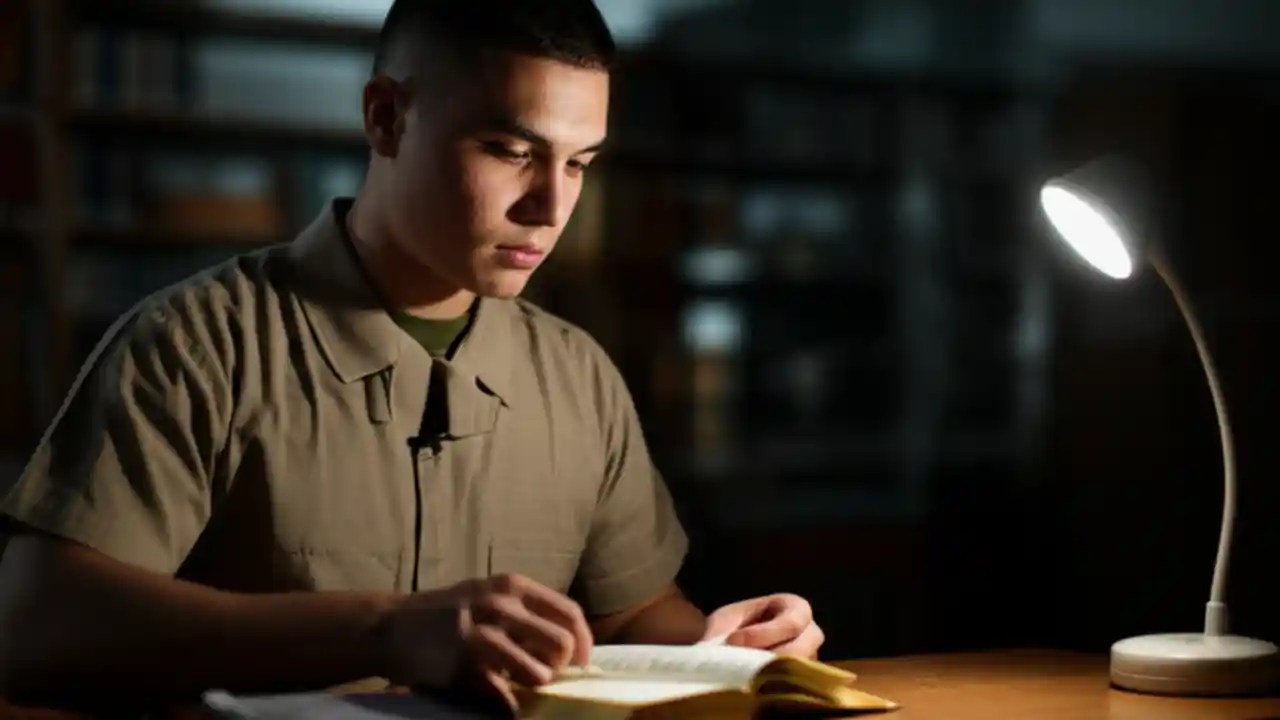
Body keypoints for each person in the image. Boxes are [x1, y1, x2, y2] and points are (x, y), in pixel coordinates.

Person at [0, 0, 822, 711]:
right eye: (510, 151)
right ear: (386, 118)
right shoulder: (198, 345)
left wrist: (732, 651)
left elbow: (633, 615)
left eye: (578, 163)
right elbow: (36, 623)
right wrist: (384, 631)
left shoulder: (578, 376)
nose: (551, 206)